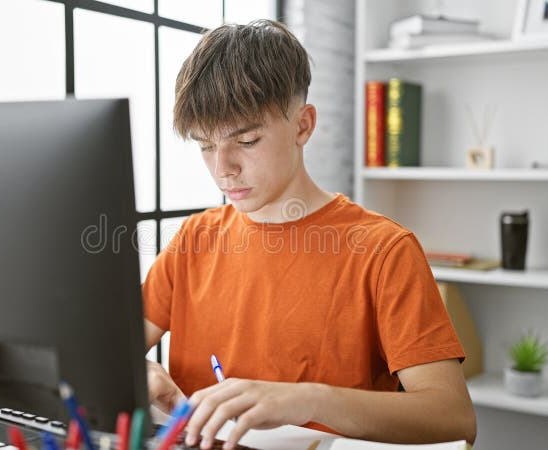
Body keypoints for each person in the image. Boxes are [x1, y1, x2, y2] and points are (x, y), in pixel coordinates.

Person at [142, 19, 476, 449]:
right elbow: (107, 343)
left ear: (303, 126)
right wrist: (139, 374)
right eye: (206, 145)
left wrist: (309, 400)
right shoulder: (194, 238)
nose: (222, 168)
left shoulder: (384, 250)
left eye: (246, 141)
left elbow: (454, 418)